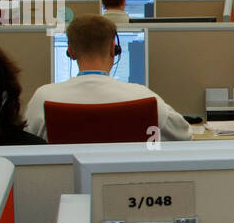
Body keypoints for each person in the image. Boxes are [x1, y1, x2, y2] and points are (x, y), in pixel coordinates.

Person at [24, 15, 190, 142]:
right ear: (113, 48)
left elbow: (27, 144)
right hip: (127, 184)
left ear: (71, 52)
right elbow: (184, 135)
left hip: (68, 186)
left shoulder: (43, 98)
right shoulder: (145, 98)